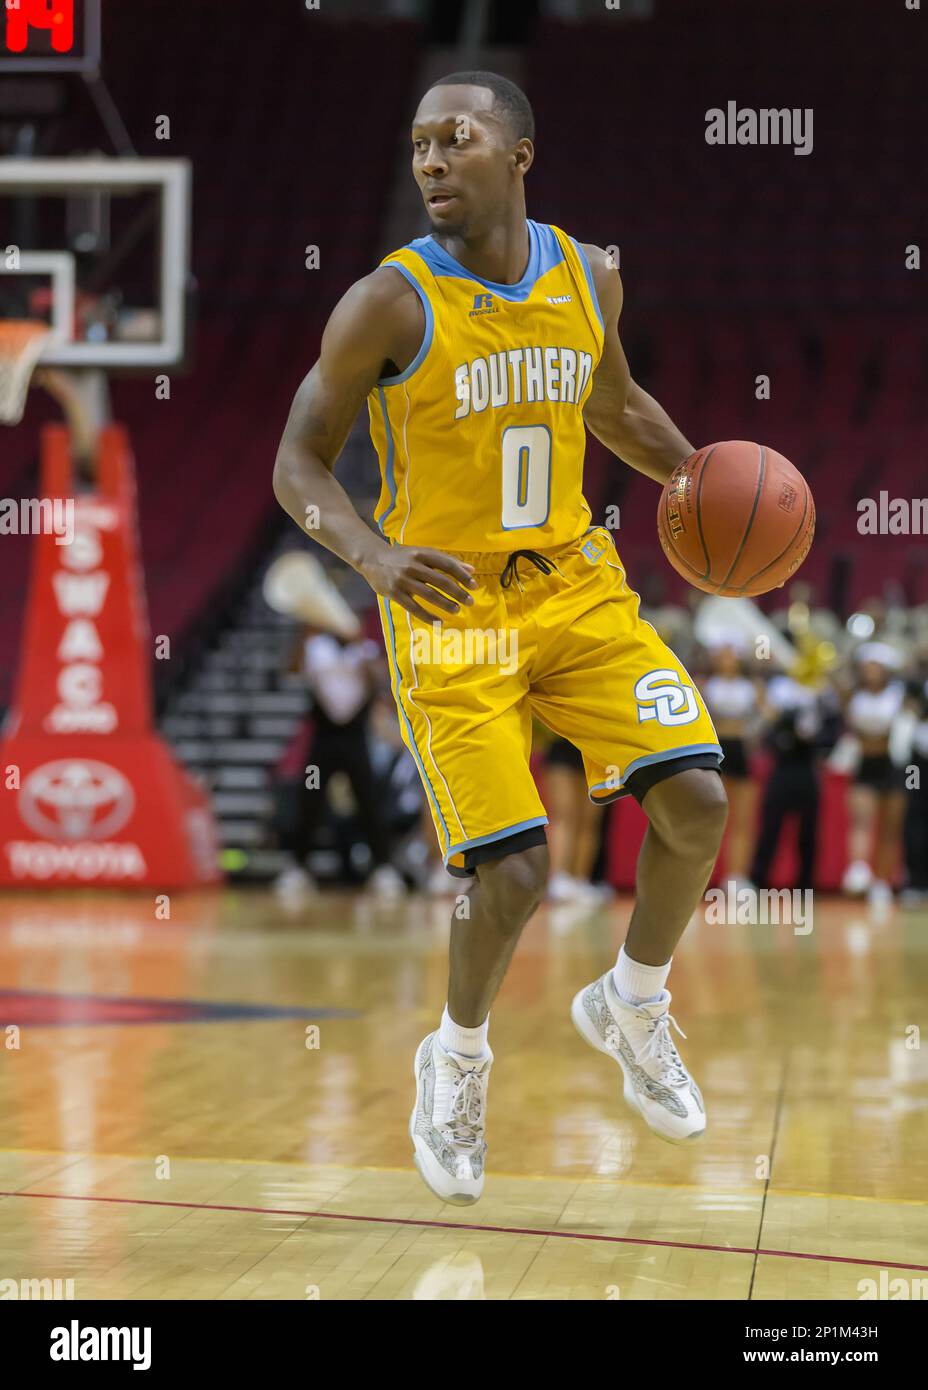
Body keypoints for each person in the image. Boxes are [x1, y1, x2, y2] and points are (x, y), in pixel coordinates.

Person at [273, 71, 727, 1205]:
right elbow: (297, 461)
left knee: (698, 804)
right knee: (514, 871)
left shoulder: (588, 273)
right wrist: (373, 557)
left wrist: (700, 479)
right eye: (419, 143)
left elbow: (611, 404)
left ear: (519, 155)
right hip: (450, 606)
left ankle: (631, 1003)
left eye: (456, 139)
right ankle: (457, 1058)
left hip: (576, 585)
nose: (430, 160)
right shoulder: (386, 302)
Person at [841, 644, 907, 905]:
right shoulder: (854, 696)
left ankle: (882, 881)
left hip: (892, 765)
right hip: (865, 763)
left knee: (890, 827)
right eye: (867, 667)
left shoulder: (899, 696)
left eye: (876, 667)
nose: (871, 672)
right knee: (861, 819)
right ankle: (858, 868)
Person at [701, 637, 762, 891]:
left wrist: (751, 732)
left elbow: (765, 719)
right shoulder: (704, 686)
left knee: (742, 819)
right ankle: (699, 878)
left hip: (740, 752)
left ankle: (736, 877)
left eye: (732, 654)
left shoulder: (753, 688)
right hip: (714, 751)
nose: (727, 659)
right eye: (722, 654)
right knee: (710, 817)